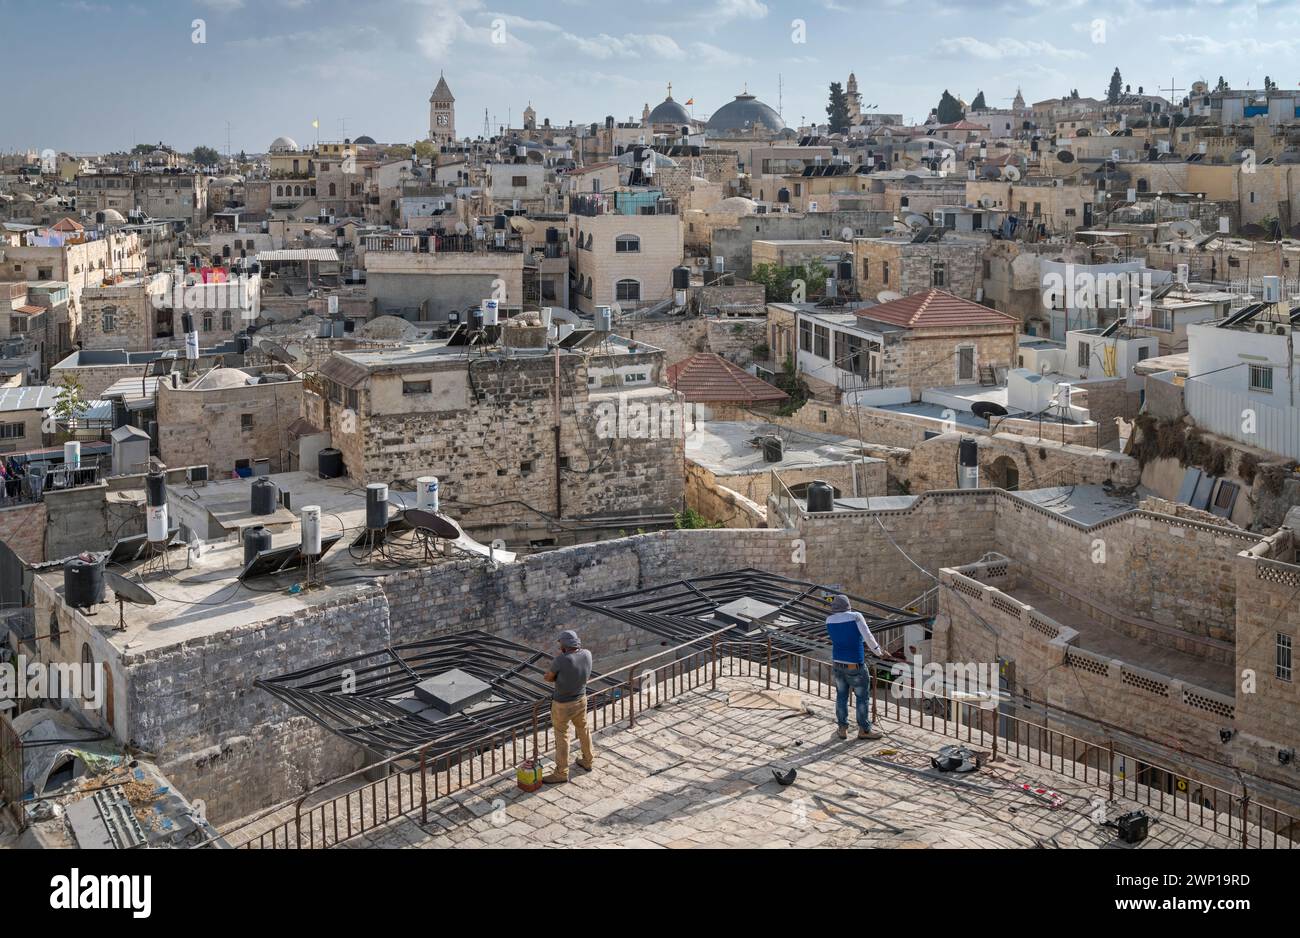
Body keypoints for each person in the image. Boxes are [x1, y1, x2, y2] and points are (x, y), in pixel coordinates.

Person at [825, 594, 884, 741]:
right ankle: (864, 729)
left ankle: (842, 728)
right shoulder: (856, 616)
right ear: (848, 605)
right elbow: (868, 636)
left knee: (841, 696)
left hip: (837, 663)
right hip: (854, 664)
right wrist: (878, 652)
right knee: (862, 697)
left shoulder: (829, 620)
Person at [541, 628, 594, 783]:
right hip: (581, 699)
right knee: (583, 729)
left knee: (562, 736)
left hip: (562, 704)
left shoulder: (561, 660)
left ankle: (561, 772)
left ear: (563, 646)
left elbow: (549, 678)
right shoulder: (587, 654)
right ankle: (588, 760)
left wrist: (548, 675)